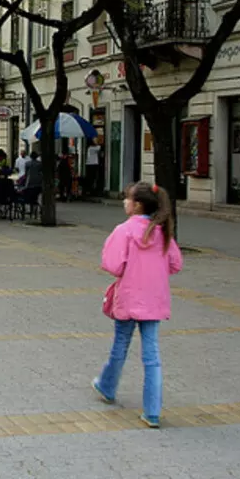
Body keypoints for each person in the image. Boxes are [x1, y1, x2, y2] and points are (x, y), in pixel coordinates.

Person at [92, 182, 184, 429]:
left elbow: (113, 265)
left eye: (127, 198)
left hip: (130, 296)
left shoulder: (125, 230)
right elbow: (175, 264)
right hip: (154, 300)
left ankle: (108, 385)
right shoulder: (161, 232)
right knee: (152, 356)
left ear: (138, 204)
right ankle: (152, 410)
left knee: (120, 344)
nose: (124, 202)